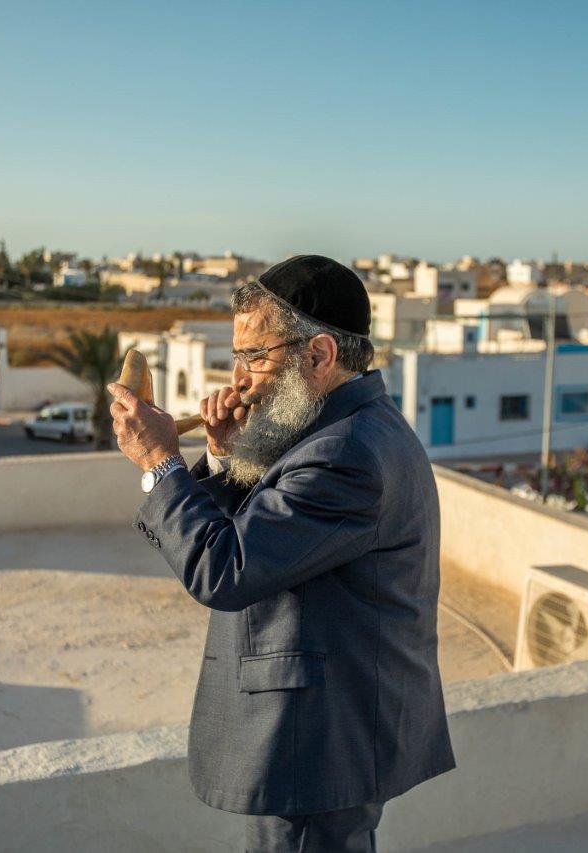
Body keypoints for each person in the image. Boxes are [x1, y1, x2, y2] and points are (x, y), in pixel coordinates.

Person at [108, 255, 455, 852]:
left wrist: (159, 463)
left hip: (315, 742)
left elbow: (227, 571)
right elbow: (271, 538)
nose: (237, 379)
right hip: (325, 735)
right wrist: (223, 458)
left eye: (254, 356)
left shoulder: (346, 453)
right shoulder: (346, 431)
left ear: (319, 355)